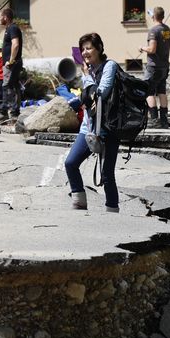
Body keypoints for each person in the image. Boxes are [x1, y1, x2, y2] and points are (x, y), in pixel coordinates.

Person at [64, 32, 122, 213]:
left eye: (89, 48)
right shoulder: (87, 71)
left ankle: (112, 211)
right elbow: (88, 97)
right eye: (82, 49)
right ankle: (79, 201)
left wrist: (87, 76)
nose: (85, 52)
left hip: (108, 127)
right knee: (71, 163)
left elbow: (101, 93)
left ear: (99, 48)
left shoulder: (109, 66)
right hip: (88, 127)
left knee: (106, 174)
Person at [138, 6, 170, 128]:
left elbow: (152, 49)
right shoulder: (167, 29)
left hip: (154, 67)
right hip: (164, 66)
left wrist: (142, 48)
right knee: (162, 91)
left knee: (149, 92)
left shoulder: (153, 31)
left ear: (153, 16)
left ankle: (154, 120)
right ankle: (164, 121)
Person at [0, 8, 24, 119]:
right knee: (14, 86)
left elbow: (15, 44)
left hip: (12, 64)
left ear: (5, 17)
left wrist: (11, 60)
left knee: (7, 86)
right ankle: (14, 112)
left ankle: (5, 112)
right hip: (12, 63)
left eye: (0, 17)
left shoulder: (12, 28)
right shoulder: (9, 29)